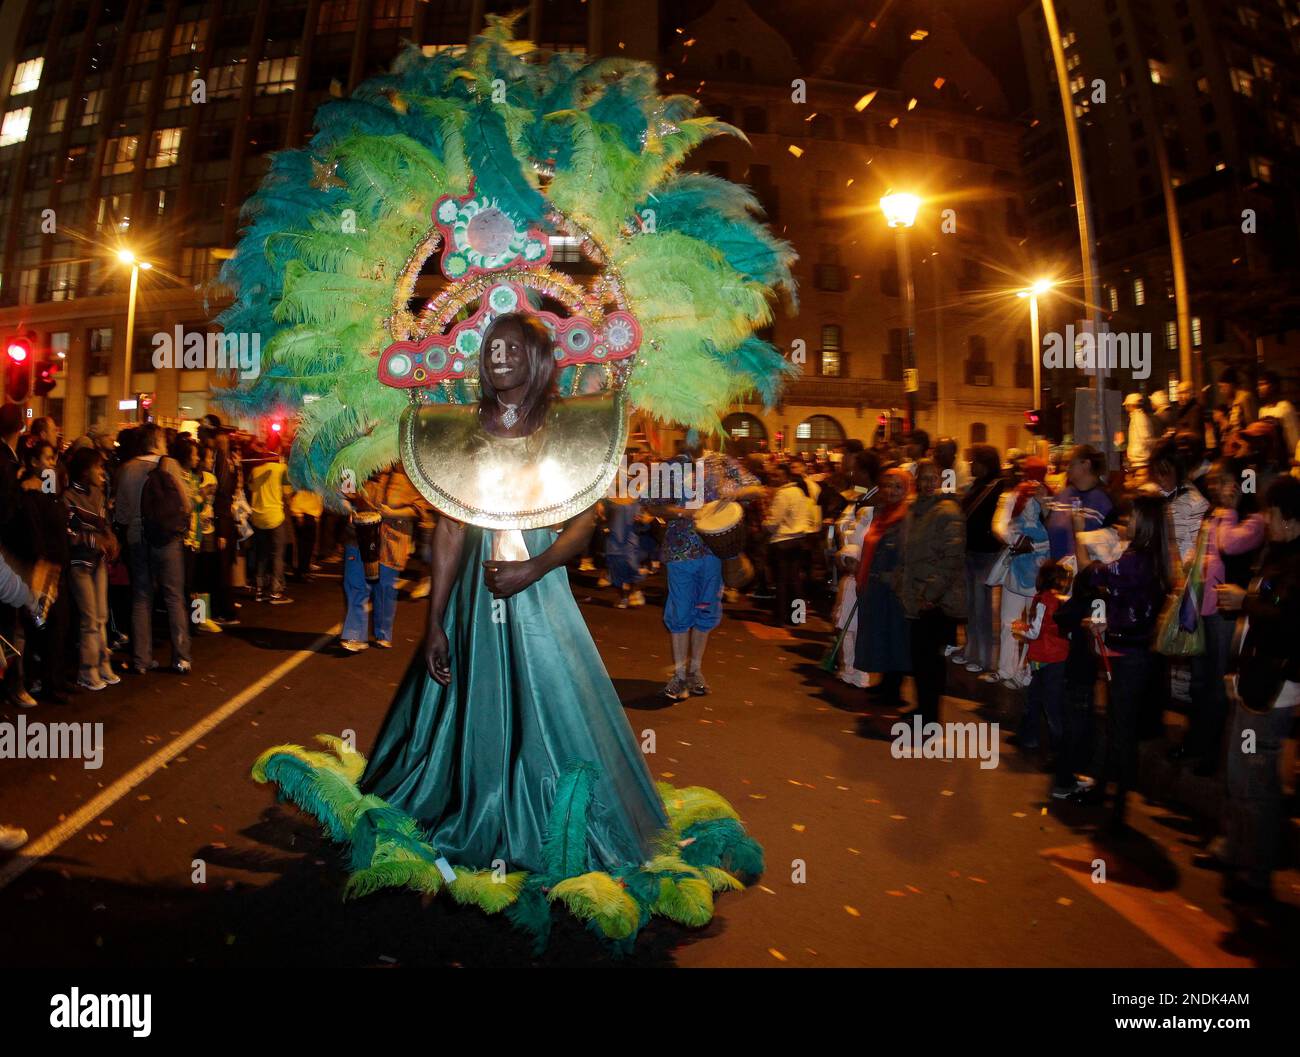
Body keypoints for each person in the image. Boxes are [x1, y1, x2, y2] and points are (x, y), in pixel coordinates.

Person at [253, 310, 762, 948]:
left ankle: (539, 824)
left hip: (539, 596)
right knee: (469, 704)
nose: (499, 357)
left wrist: (538, 569)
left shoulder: (570, 426)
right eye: (491, 347)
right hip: (473, 597)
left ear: (539, 358)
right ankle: (475, 810)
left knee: (551, 705)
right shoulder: (457, 433)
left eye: (513, 347)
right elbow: (448, 531)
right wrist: (435, 621)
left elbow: (581, 524)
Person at [1212, 475, 1300, 902]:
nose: (1265, 520)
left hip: (1272, 690)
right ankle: (1236, 850)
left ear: (1290, 518)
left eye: (1271, 513)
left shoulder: (1296, 563)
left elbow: (1285, 618)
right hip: (1253, 682)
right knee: (1239, 771)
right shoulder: (1278, 553)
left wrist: (1242, 601)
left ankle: (1256, 871)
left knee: (1256, 781)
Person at [1075, 494, 1169, 830]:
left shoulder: (1136, 560)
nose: (1125, 521)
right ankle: (1107, 793)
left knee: (1121, 730)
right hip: (1130, 650)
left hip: (1129, 655)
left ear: (1144, 523)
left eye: (1132, 517)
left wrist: (1079, 537)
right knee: (1116, 725)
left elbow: (1093, 575)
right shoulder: (1151, 557)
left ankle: (1118, 810)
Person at [1173, 462, 1264, 777]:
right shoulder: (1217, 514)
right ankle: (1195, 743)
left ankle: (1213, 755)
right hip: (1204, 609)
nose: (1219, 488)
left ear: (1241, 486)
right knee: (1199, 684)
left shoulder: (1254, 520)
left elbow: (1230, 543)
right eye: (1217, 483)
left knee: (1215, 685)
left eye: (1226, 482)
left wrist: (1230, 509)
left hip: (1226, 615)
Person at [655, 437, 762, 699]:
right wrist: (684, 513)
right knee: (679, 612)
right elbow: (653, 504)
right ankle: (679, 676)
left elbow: (757, 489)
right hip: (680, 552)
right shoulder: (671, 466)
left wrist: (735, 492)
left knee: (706, 609)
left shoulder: (722, 462)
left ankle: (695, 671)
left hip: (713, 553)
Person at [113, 422, 193, 674]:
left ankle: (141, 660)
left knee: (141, 597)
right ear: (158, 441)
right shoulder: (170, 465)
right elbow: (187, 503)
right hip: (167, 539)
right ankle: (181, 658)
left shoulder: (126, 469)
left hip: (138, 539)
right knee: (173, 597)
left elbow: (121, 514)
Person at [897, 460, 965, 729]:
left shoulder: (947, 511)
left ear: (940, 479)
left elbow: (952, 557)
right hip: (917, 595)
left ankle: (930, 716)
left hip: (936, 600)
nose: (926, 483)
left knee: (930, 660)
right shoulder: (915, 510)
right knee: (920, 658)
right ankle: (922, 708)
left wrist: (932, 593)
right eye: (922, 478)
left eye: (931, 478)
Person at [339, 465, 427, 650]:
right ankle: (355, 636)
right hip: (358, 537)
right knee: (356, 585)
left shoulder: (406, 477)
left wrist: (392, 513)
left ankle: (383, 632)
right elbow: (344, 495)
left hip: (391, 542)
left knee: (384, 588)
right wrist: (348, 508)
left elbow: (419, 508)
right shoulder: (356, 470)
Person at [990, 456, 1051, 689]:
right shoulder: (1012, 496)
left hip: (1039, 571)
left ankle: (1025, 672)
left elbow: (1053, 531)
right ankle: (1006, 668)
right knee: (1008, 622)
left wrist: (1034, 546)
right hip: (1016, 567)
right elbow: (999, 525)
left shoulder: (1049, 497)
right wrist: (1016, 541)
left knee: (1033, 625)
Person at [854, 468, 912, 706]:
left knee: (895, 636)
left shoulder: (907, 515)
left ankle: (894, 689)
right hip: (875, 583)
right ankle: (884, 683)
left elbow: (908, 552)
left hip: (893, 586)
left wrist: (894, 576)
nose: (891, 491)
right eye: (887, 486)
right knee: (879, 634)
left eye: (897, 486)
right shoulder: (882, 513)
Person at [66, 447, 121, 691]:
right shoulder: (68, 497)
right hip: (79, 564)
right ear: (85, 470)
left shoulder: (98, 493)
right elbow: (69, 535)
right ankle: (87, 670)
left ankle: (102, 663)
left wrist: (110, 539)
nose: (102, 471)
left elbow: (105, 523)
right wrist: (95, 540)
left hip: (98, 562)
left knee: (101, 616)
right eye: (97, 467)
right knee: (89, 619)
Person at [1013, 560, 1072, 771]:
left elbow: (1035, 632)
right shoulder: (1062, 600)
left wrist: (1020, 629)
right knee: (1042, 701)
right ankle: (1032, 738)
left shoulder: (1043, 600)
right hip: (1057, 657)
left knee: (1044, 704)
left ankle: (1055, 752)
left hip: (1045, 657)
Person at [955, 445, 1006, 675]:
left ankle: (984, 656)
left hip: (986, 553)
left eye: (974, 461)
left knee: (982, 606)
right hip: (971, 551)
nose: (971, 466)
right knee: (970, 604)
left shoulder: (998, 486)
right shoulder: (977, 485)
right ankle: (971, 648)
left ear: (985, 463)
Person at [247, 446, 293, 605]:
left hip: (257, 517)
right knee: (277, 554)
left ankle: (259, 590)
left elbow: (250, 488)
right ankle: (275, 591)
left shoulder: (255, 470)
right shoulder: (281, 469)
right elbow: (287, 494)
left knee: (262, 554)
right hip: (274, 517)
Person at [1256, 370, 1298, 460]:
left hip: (1286, 459)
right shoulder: (1262, 410)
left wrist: (1294, 457)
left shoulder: (1284, 407)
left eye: (1263, 384)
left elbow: (1293, 436)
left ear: (1273, 386)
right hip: (1270, 460)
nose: (1259, 388)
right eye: (1258, 385)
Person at [1123, 393, 1158, 474]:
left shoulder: (1139, 419)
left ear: (1130, 405)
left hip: (1140, 462)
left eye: (1126, 406)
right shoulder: (1137, 418)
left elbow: (1146, 439)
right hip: (1137, 461)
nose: (1125, 408)